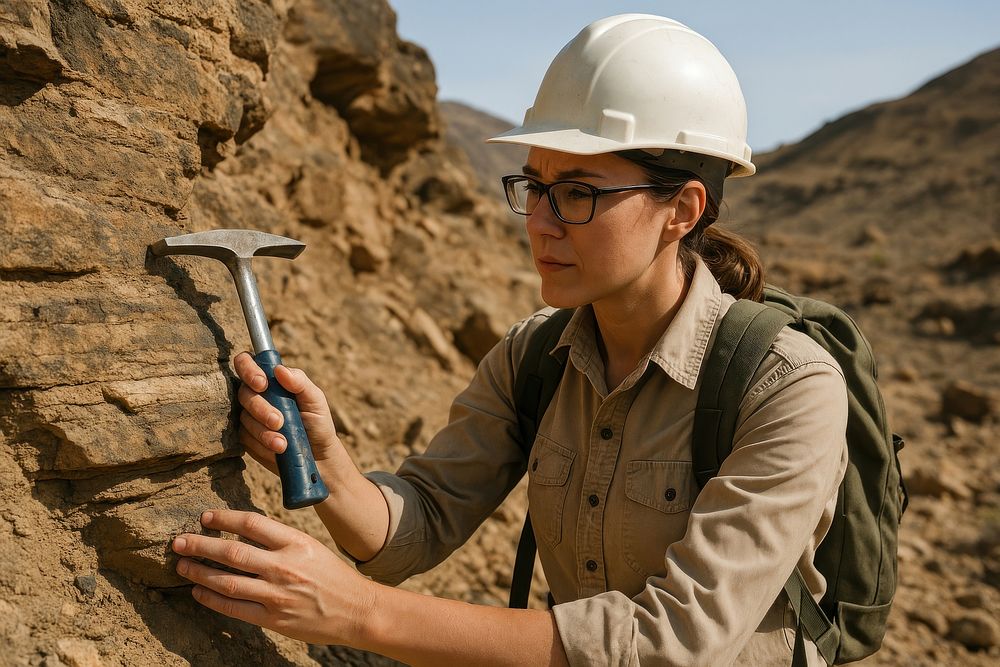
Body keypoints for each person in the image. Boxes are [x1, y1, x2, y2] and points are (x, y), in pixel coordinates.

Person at [171, 14, 848, 666]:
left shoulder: (789, 386)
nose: (542, 224)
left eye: (578, 193)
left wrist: (356, 611)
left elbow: (673, 643)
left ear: (682, 210)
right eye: (536, 186)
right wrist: (330, 461)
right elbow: (422, 522)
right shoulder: (535, 357)